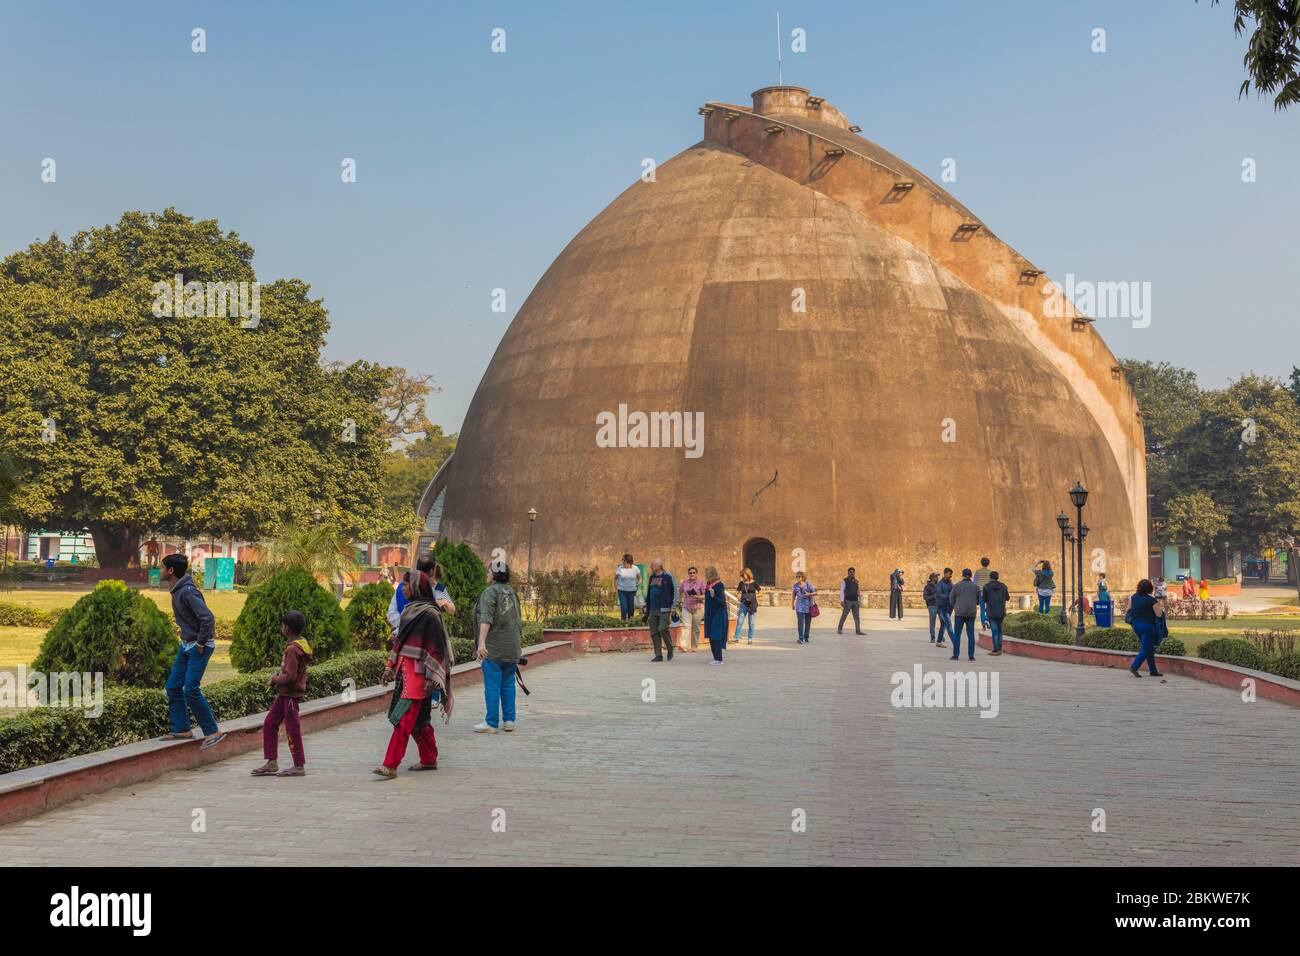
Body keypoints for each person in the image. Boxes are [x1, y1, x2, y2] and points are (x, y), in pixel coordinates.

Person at [375, 571, 454, 776]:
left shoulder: (430, 615)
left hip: (419, 677)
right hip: (406, 672)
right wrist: (389, 666)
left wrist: (430, 678)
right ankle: (429, 759)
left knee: (404, 719)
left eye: (407, 585)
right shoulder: (410, 611)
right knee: (420, 721)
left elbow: (436, 650)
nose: (403, 588)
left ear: (417, 587)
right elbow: (401, 642)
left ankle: (390, 765)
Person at [158, 554, 227, 750]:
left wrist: (201, 643)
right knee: (172, 686)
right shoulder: (177, 590)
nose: (160, 570)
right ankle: (181, 729)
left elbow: (208, 618)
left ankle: (213, 731)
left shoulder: (187, 592)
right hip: (186, 644)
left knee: (191, 690)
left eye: (163, 567)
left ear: (171, 571)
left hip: (199, 646)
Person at [251, 611, 313, 777]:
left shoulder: (293, 650)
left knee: (293, 730)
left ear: (287, 628)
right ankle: (271, 762)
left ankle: (299, 765)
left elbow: (291, 676)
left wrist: (275, 679)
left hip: (291, 696)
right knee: (270, 723)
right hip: (284, 695)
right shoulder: (300, 644)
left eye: (282, 625)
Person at [474, 558, 523, 733]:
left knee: (493, 684)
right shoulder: (512, 592)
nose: (487, 574)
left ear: (494, 574)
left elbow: (486, 619)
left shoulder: (490, 592)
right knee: (508, 683)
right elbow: (518, 620)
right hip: (512, 645)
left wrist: (481, 643)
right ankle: (509, 720)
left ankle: (491, 723)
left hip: (494, 646)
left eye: (489, 571)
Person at [387, 555, 455, 640]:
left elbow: (391, 613)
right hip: (425, 640)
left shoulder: (402, 586)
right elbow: (452, 611)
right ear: (431, 571)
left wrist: (403, 626)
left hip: (406, 638)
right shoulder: (435, 589)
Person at [1126, 578, 1166, 678]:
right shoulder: (1151, 600)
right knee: (1146, 648)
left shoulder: (1133, 597)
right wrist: (1160, 606)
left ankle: (1153, 670)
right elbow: (1159, 614)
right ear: (1150, 589)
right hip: (1148, 626)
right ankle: (1134, 667)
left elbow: (1128, 610)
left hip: (1136, 625)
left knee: (1149, 648)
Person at [644, 558, 677, 662]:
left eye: (652, 565)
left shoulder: (667, 577)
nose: (651, 567)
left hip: (664, 608)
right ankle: (658, 654)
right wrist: (647, 606)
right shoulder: (652, 577)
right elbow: (649, 593)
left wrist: (673, 605)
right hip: (653, 608)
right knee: (654, 632)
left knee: (662, 628)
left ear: (658, 566)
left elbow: (675, 591)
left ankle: (670, 647)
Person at [949, 568, 980, 661]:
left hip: (959, 613)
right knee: (971, 635)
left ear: (962, 575)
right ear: (971, 576)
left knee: (957, 635)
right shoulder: (976, 587)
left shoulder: (957, 586)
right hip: (971, 613)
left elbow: (951, 599)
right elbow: (978, 601)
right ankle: (971, 656)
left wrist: (955, 606)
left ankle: (955, 655)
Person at [704, 566, 728, 664]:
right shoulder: (709, 585)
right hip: (710, 613)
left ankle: (719, 659)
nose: (706, 577)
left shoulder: (719, 585)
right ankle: (715, 658)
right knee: (711, 635)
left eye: (707, 575)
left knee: (716, 636)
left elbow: (722, 602)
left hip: (718, 614)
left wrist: (714, 596)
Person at [982, 571, 1010, 655]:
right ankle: (1000, 648)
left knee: (994, 631)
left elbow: (983, 599)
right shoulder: (1003, 586)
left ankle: (995, 649)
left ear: (990, 577)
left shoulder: (986, 587)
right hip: (1001, 611)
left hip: (991, 612)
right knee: (1000, 630)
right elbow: (1007, 598)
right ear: (997, 577)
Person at [679, 566, 707, 650]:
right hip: (686, 607)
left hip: (698, 608)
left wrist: (697, 597)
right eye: (690, 573)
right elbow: (680, 591)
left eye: (693, 572)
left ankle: (694, 646)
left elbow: (706, 595)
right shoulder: (684, 582)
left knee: (696, 628)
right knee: (685, 626)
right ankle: (684, 645)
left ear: (696, 573)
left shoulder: (701, 583)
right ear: (688, 574)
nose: (692, 574)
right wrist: (680, 600)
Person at [734, 568, 760, 644]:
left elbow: (760, 592)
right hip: (743, 603)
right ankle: (736, 637)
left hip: (752, 604)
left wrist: (754, 597)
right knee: (740, 620)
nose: (742, 577)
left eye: (743, 575)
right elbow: (737, 592)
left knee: (751, 622)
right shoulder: (741, 583)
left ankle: (750, 638)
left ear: (748, 574)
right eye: (741, 575)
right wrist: (737, 596)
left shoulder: (754, 583)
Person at [614, 554, 641, 621]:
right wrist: (614, 588)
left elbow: (640, 578)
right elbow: (615, 578)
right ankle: (623, 621)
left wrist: (639, 583)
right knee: (624, 608)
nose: (622, 561)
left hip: (632, 591)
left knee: (631, 609)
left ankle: (630, 623)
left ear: (627, 561)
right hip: (622, 591)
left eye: (623, 560)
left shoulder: (635, 568)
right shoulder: (620, 568)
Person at [838, 567, 865, 635]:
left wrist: (859, 599)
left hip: (855, 601)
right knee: (844, 615)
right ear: (848, 573)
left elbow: (857, 590)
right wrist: (842, 600)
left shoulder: (856, 581)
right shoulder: (844, 581)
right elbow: (842, 591)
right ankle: (839, 629)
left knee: (857, 617)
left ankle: (858, 631)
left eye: (853, 572)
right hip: (847, 601)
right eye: (850, 572)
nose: (852, 573)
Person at [792, 571, 817, 644]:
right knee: (800, 623)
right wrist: (792, 604)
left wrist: (809, 594)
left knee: (807, 623)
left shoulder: (808, 584)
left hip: (808, 607)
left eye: (799, 576)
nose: (798, 578)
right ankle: (800, 638)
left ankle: (806, 637)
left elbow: (815, 593)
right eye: (796, 576)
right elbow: (793, 595)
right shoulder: (795, 586)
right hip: (799, 607)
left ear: (803, 577)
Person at [934, 567, 955, 648]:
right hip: (942, 607)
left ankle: (939, 641)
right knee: (949, 625)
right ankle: (955, 642)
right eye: (950, 574)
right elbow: (939, 594)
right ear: (945, 573)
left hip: (949, 607)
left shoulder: (950, 583)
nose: (950, 576)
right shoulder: (940, 584)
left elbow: (953, 592)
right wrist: (948, 597)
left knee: (943, 625)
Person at [973, 557, 992, 629]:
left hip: (980, 592)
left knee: (982, 609)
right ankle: (989, 622)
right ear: (988, 563)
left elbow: (974, 583)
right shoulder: (990, 572)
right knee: (989, 608)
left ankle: (983, 624)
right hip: (988, 593)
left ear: (981, 563)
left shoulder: (977, 572)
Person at [923, 572, 940, 643]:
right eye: (936, 577)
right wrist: (933, 596)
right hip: (932, 606)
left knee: (944, 621)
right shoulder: (927, 587)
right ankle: (932, 637)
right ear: (933, 578)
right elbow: (925, 597)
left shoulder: (939, 585)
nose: (937, 578)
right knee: (932, 622)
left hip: (939, 605)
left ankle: (941, 636)